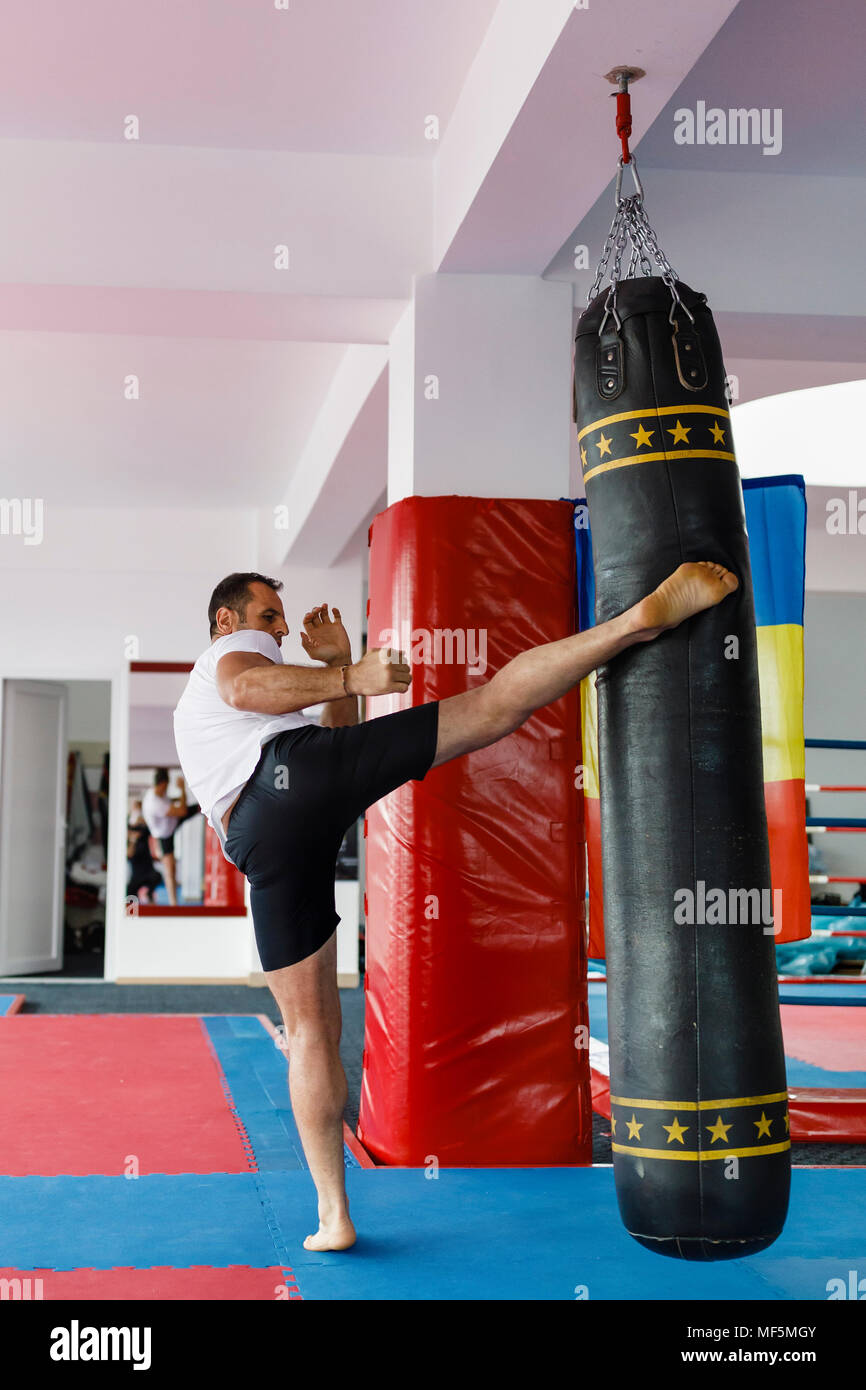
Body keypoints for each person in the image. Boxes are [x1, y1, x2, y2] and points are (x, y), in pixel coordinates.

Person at [173, 562, 739, 1253]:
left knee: (310, 1033)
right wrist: (349, 676)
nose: (280, 633)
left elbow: (327, 751)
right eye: (269, 620)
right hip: (286, 790)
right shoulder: (225, 660)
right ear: (225, 620)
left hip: (270, 838)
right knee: (495, 706)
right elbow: (248, 689)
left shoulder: (235, 704)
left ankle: (333, 1215)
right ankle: (631, 625)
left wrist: (339, 668)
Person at [141, 771, 200, 906]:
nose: (167, 789)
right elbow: (182, 811)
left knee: (198, 807)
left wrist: (179, 798)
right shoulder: (154, 803)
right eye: (166, 786)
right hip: (164, 836)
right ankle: (173, 904)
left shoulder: (157, 792)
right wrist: (182, 789)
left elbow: (173, 804)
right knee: (170, 870)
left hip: (171, 823)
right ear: (161, 784)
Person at [127, 798, 164, 904]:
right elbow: (129, 854)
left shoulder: (144, 830)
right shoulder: (128, 831)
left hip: (149, 872)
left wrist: (142, 821)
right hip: (136, 875)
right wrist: (133, 839)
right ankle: (131, 916)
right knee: (129, 895)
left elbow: (152, 829)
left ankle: (149, 894)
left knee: (157, 876)